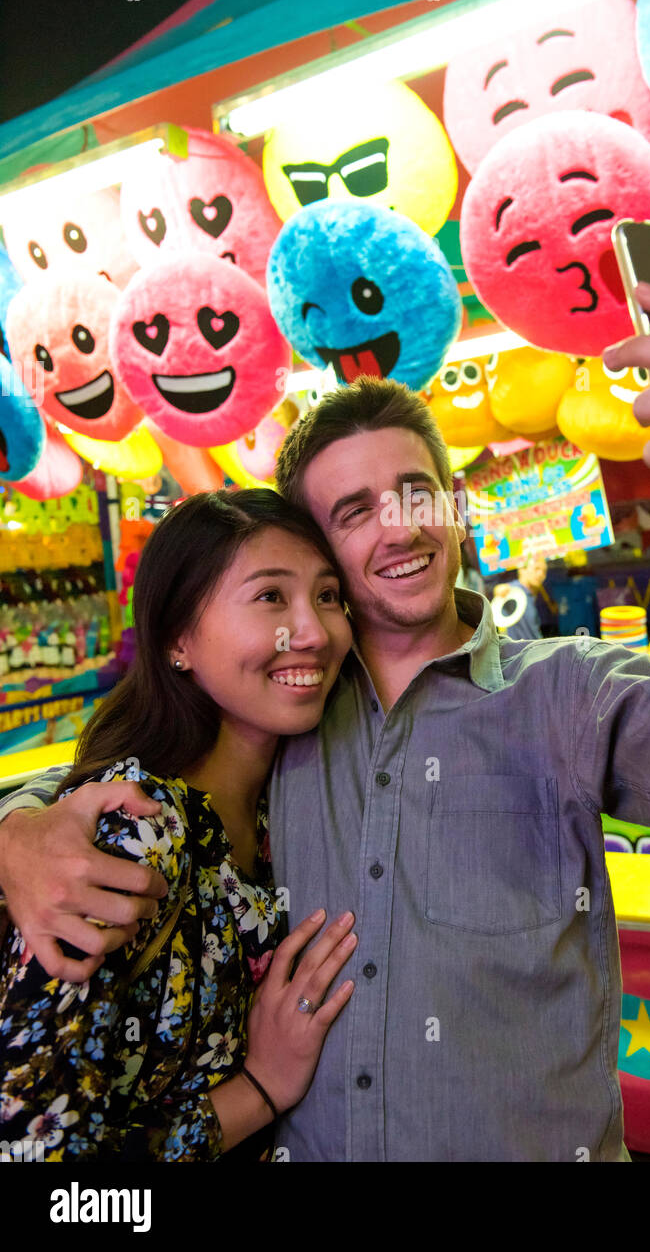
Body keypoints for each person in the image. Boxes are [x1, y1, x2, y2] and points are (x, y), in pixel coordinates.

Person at [1, 282, 650, 1162]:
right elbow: (139, 785)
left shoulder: (567, 693)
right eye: (353, 511)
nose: (399, 528)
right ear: (314, 545)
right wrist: (14, 833)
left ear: (452, 502)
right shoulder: (284, 714)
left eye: (416, 493)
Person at [0, 489, 357, 1160]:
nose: (312, 631)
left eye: (329, 595)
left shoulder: (291, 807)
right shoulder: (134, 833)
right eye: (270, 598)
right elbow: (34, 1150)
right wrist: (260, 1086)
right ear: (178, 641)